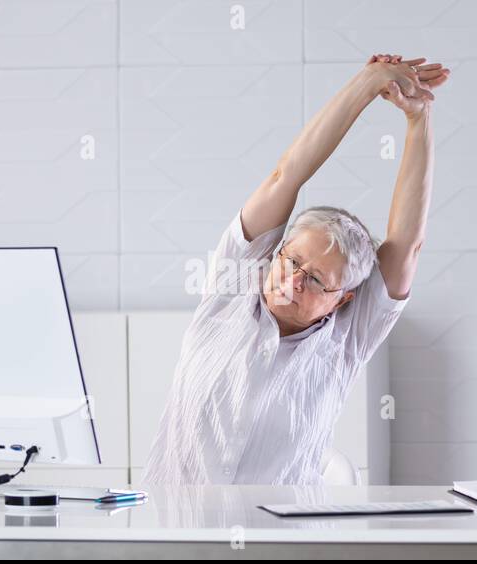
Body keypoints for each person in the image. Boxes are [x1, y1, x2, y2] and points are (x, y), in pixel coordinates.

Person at [141, 54, 449, 485]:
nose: (294, 280)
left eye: (317, 280)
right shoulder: (233, 286)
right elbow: (285, 176)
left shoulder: (347, 337)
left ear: (343, 299)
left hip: (279, 543)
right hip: (173, 537)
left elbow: (407, 247)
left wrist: (419, 119)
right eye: (292, 261)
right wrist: (367, 82)